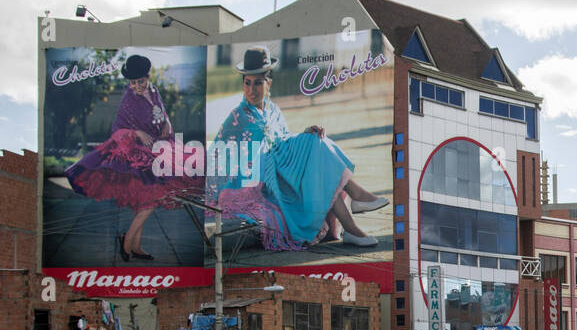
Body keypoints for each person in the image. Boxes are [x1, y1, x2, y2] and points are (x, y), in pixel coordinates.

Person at [213, 47, 388, 252]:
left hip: (283, 170)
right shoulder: (239, 116)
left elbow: (283, 139)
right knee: (314, 150)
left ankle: (352, 226)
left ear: (268, 83)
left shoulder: (273, 110)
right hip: (266, 180)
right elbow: (229, 154)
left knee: (315, 141)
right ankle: (356, 202)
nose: (252, 90)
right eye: (247, 83)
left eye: (258, 83)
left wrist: (303, 134)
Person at [64, 54, 201, 260]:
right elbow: (117, 129)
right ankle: (127, 242)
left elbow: (163, 116)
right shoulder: (129, 100)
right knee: (152, 199)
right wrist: (138, 133)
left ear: (148, 77)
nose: (137, 86)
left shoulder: (154, 92)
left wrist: (167, 124)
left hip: (159, 150)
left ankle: (135, 246)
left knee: (149, 200)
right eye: (133, 82)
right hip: (138, 156)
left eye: (141, 81)